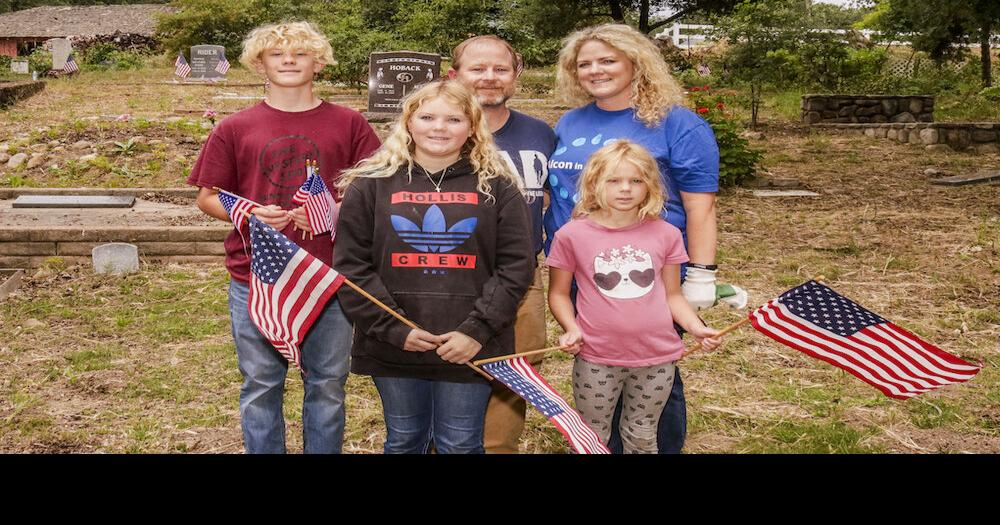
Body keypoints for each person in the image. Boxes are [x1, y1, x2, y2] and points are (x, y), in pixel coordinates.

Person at [187, 21, 381, 454]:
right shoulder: (235, 127)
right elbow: (208, 197)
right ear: (260, 64)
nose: (289, 61)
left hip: (327, 275)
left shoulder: (349, 124)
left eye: (300, 53)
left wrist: (333, 212)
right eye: (277, 54)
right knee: (260, 383)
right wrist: (251, 214)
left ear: (319, 62)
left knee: (328, 384)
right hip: (257, 275)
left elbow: (372, 191)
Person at [545, 23, 721, 454]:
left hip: (648, 267)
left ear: (635, 62)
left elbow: (701, 206)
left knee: (654, 367)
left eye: (607, 60)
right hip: (580, 267)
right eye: (584, 63)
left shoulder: (677, 124)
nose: (595, 70)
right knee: (598, 368)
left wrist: (700, 275)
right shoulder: (571, 121)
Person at [333, 80, 535, 454]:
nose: (439, 127)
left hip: (470, 344)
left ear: (473, 127)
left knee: (459, 443)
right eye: (427, 117)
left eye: (453, 119)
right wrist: (392, 328)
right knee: (405, 439)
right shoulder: (371, 185)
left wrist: (476, 330)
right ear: (408, 123)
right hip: (395, 343)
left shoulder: (499, 186)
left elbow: (517, 266)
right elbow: (351, 267)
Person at [448, 35, 557, 454]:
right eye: (478, 69)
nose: (489, 78)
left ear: (515, 75)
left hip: (519, 278)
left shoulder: (539, 134)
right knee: (450, 367)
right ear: (456, 75)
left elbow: (556, 199)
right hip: (450, 275)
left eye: (500, 69)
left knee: (516, 369)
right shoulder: (438, 130)